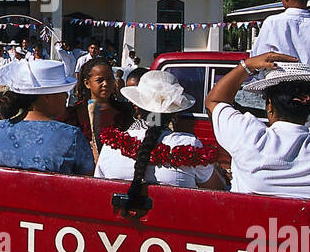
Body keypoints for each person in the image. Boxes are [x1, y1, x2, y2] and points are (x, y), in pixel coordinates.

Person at [205, 52, 310, 199]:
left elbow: (214, 101)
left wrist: (246, 66)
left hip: (249, 221)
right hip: (305, 223)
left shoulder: (248, 138)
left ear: (269, 105)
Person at [95, 69, 225, 189]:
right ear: (174, 113)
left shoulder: (111, 146)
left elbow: (98, 188)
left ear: (137, 107)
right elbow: (218, 190)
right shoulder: (189, 146)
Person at [0, 60, 95, 174]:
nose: (66, 96)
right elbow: (87, 179)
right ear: (46, 97)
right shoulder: (70, 136)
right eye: (62, 91)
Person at [70, 58, 135, 160]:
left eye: (109, 79)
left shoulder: (125, 110)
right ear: (87, 83)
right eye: (100, 80)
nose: (105, 84)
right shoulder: (75, 113)